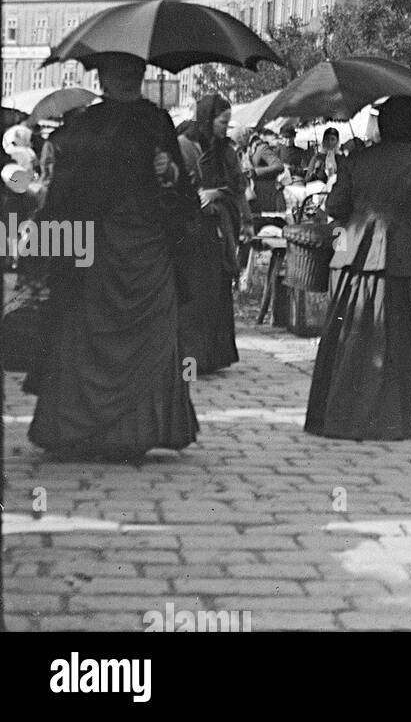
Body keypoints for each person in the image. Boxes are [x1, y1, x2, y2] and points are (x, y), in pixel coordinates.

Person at [28, 52, 199, 461]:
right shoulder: (136, 121)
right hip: (126, 248)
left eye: (129, 74)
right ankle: (129, 429)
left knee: (90, 329)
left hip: (114, 246)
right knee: (125, 331)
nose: (126, 80)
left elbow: (62, 196)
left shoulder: (96, 124)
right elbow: (178, 195)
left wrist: (169, 173)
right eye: (124, 74)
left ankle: (84, 426)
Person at [305, 95, 411, 441]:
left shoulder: (356, 160)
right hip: (405, 261)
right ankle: (396, 421)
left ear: (382, 125)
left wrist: (344, 242)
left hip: (354, 259)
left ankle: (340, 417)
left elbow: (335, 205)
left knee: (350, 338)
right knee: (400, 342)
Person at [177, 94, 250, 374]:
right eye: (222, 122)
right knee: (194, 297)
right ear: (208, 119)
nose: (224, 128)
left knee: (215, 294)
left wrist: (217, 193)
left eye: (228, 123)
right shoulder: (184, 146)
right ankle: (190, 363)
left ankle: (211, 358)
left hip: (216, 229)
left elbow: (237, 187)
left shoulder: (225, 151)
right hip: (190, 230)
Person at [246, 129, 286, 218]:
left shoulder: (261, 148)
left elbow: (278, 166)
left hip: (268, 195)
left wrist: (255, 172)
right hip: (255, 195)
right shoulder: (248, 151)